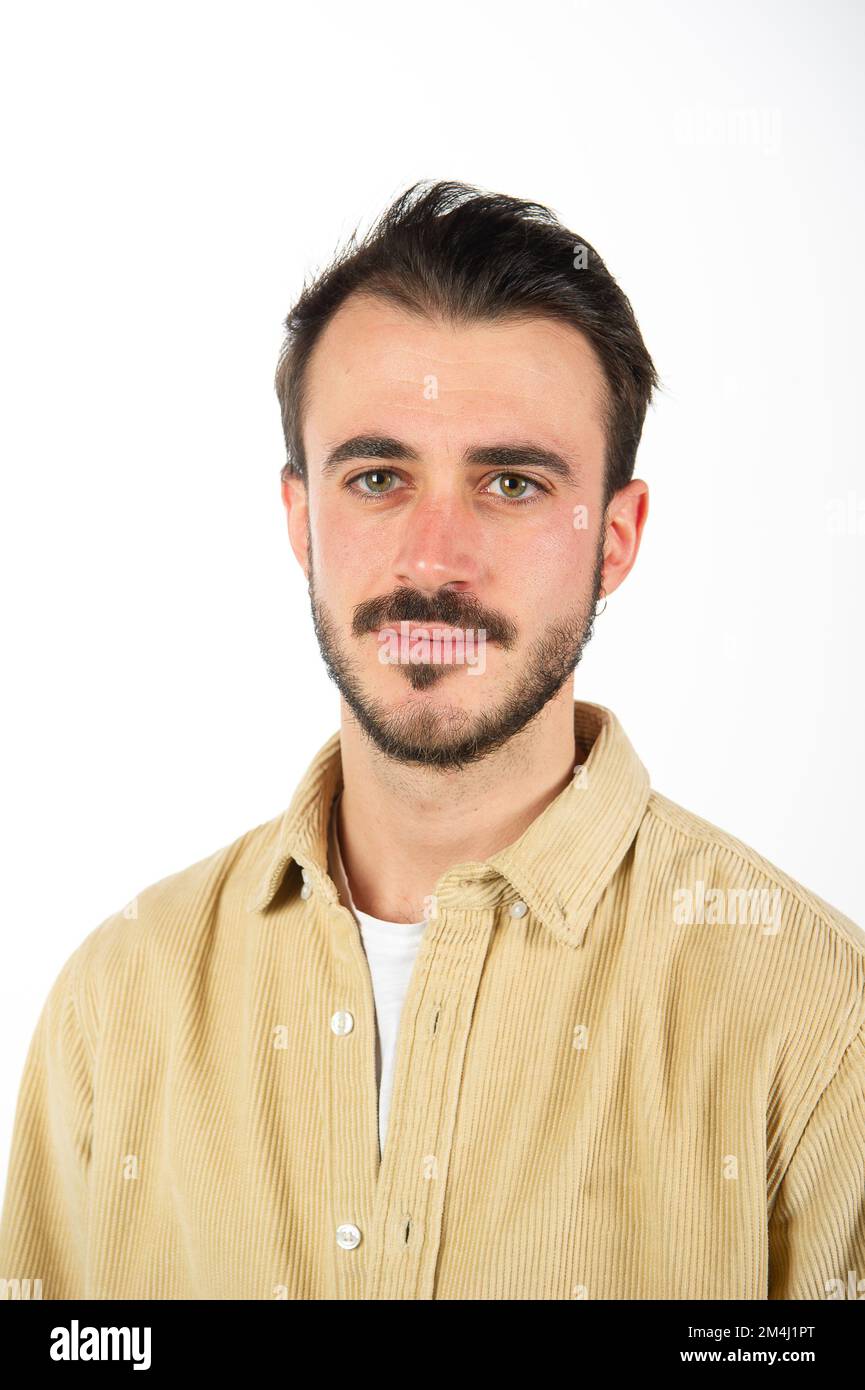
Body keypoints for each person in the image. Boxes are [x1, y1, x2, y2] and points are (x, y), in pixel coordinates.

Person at [1, 181, 862, 1301]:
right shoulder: (114, 1005)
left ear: (614, 538)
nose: (432, 556)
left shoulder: (821, 1023)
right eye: (377, 477)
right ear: (303, 521)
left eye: (510, 482)